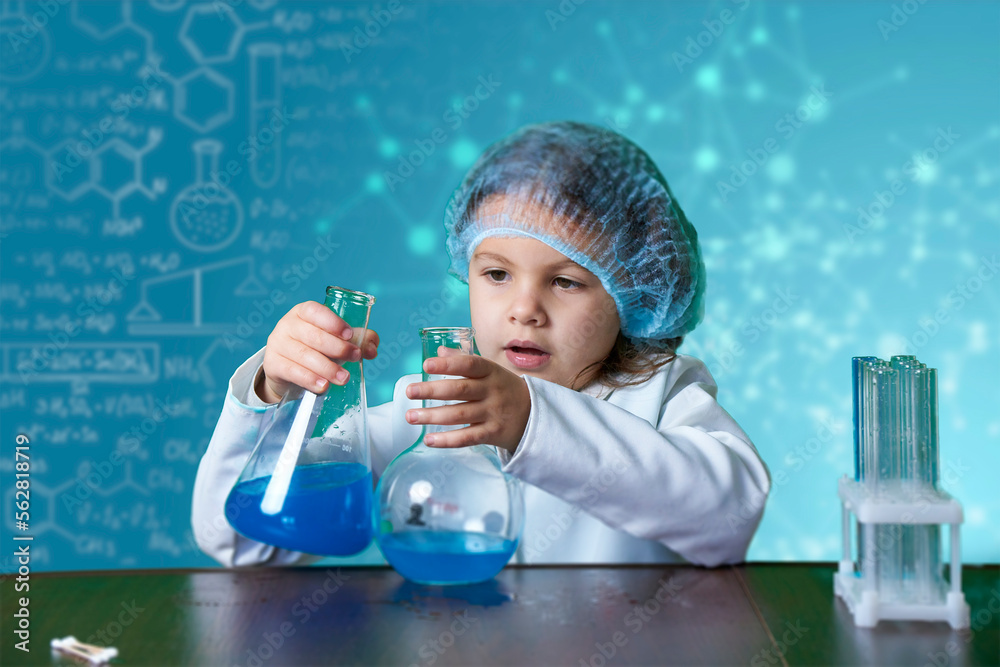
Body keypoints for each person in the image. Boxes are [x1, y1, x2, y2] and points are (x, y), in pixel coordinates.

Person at [192, 120, 771, 568]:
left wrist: (530, 421)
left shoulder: (659, 392)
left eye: (565, 281)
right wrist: (272, 394)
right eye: (497, 274)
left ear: (632, 291)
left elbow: (730, 517)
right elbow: (243, 545)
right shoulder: (433, 407)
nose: (524, 309)